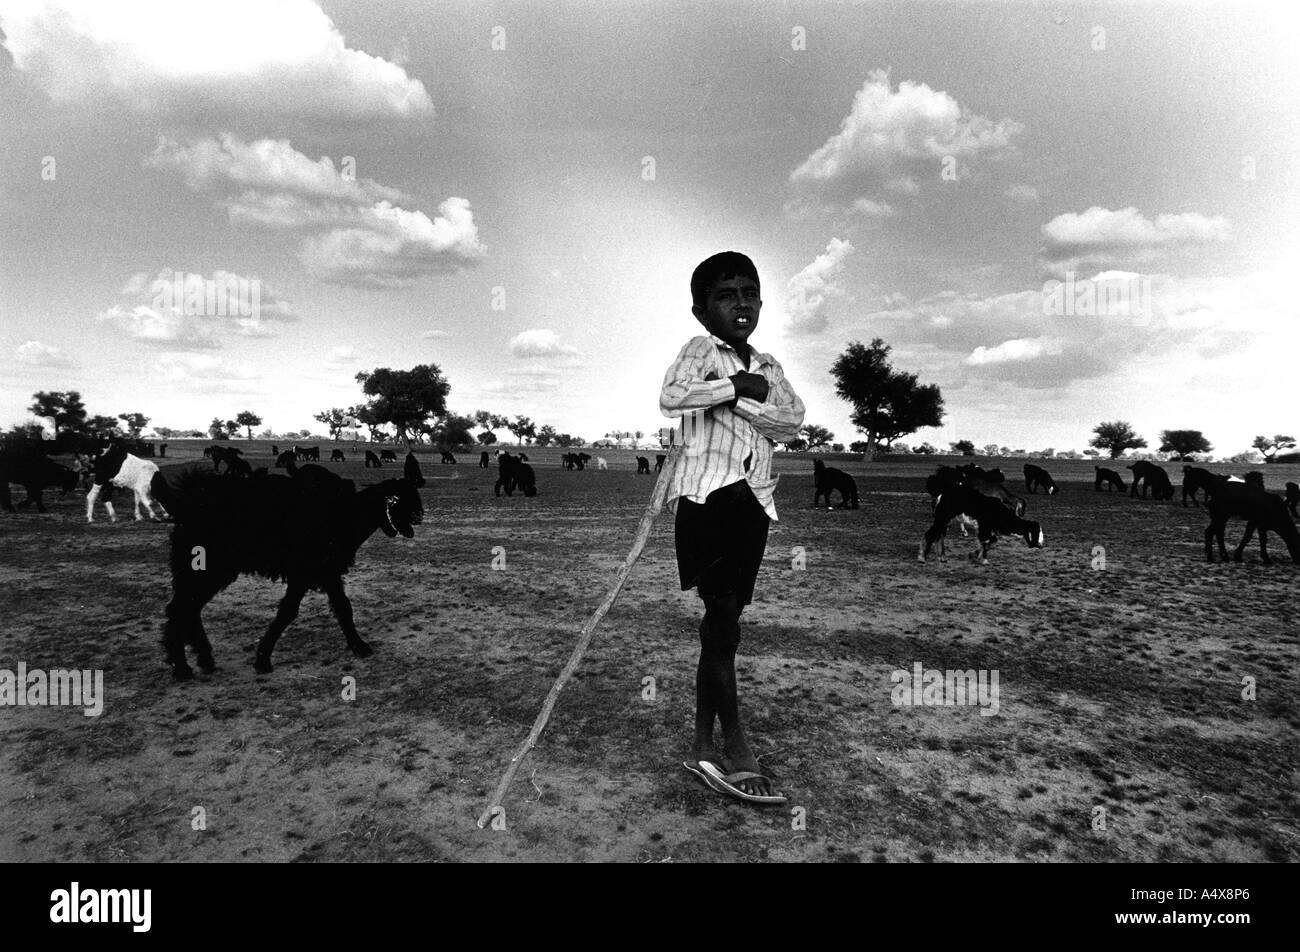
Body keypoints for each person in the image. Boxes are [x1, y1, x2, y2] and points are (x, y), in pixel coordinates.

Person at [659, 251, 805, 805]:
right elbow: (672, 397)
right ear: (702, 311)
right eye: (726, 295)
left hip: (754, 504)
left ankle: (701, 743)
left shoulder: (768, 365)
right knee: (722, 622)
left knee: (724, 625)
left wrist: (740, 394)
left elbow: (792, 421)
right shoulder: (700, 350)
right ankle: (737, 746)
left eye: (750, 293)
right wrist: (736, 389)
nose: (741, 303)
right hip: (706, 499)